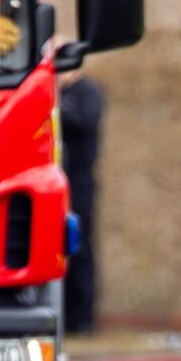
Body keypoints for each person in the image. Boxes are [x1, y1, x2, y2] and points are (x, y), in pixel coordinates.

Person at [60, 71, 105, 333]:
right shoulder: (60, 93)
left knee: (80, 246)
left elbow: (84, 120)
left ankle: (82, 316)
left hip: (79, 180)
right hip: (58, 178)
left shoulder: (87, 91)